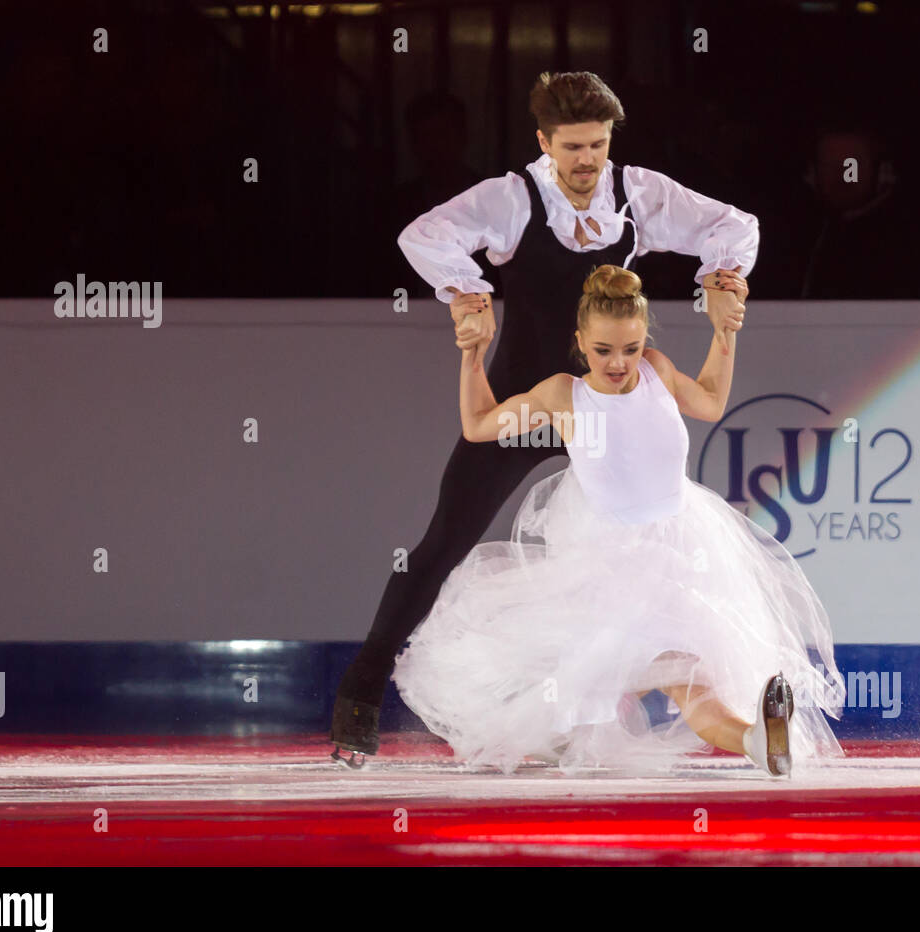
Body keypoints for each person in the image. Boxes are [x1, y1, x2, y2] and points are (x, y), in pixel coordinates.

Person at [330, 71, 759, 765]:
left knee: (635, 550)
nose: (587, 161)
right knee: (445, 539)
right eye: (572, 148)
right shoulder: (511, 200)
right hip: (535, 401)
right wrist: (466, 292)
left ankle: (606, 712)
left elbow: (732, 226)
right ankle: (362, 689)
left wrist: (721, 278)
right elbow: (424, 234)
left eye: (597, 145)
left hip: (609, 402)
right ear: (544, 143)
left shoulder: (638, 195)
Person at [389, 264, 845, 777]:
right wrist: (472, 354)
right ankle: (562, 735)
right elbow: (477, 426)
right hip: (603, 565)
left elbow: (712, 401)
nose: (619, 363)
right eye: (604, 350)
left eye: (629, 348)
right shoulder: (564, 394)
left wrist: (725, 333)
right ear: (580, 341)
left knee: (688, 675)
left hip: (683, 551)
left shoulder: (657, 370)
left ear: (643, 339)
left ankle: (756, 740)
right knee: (572, 716)